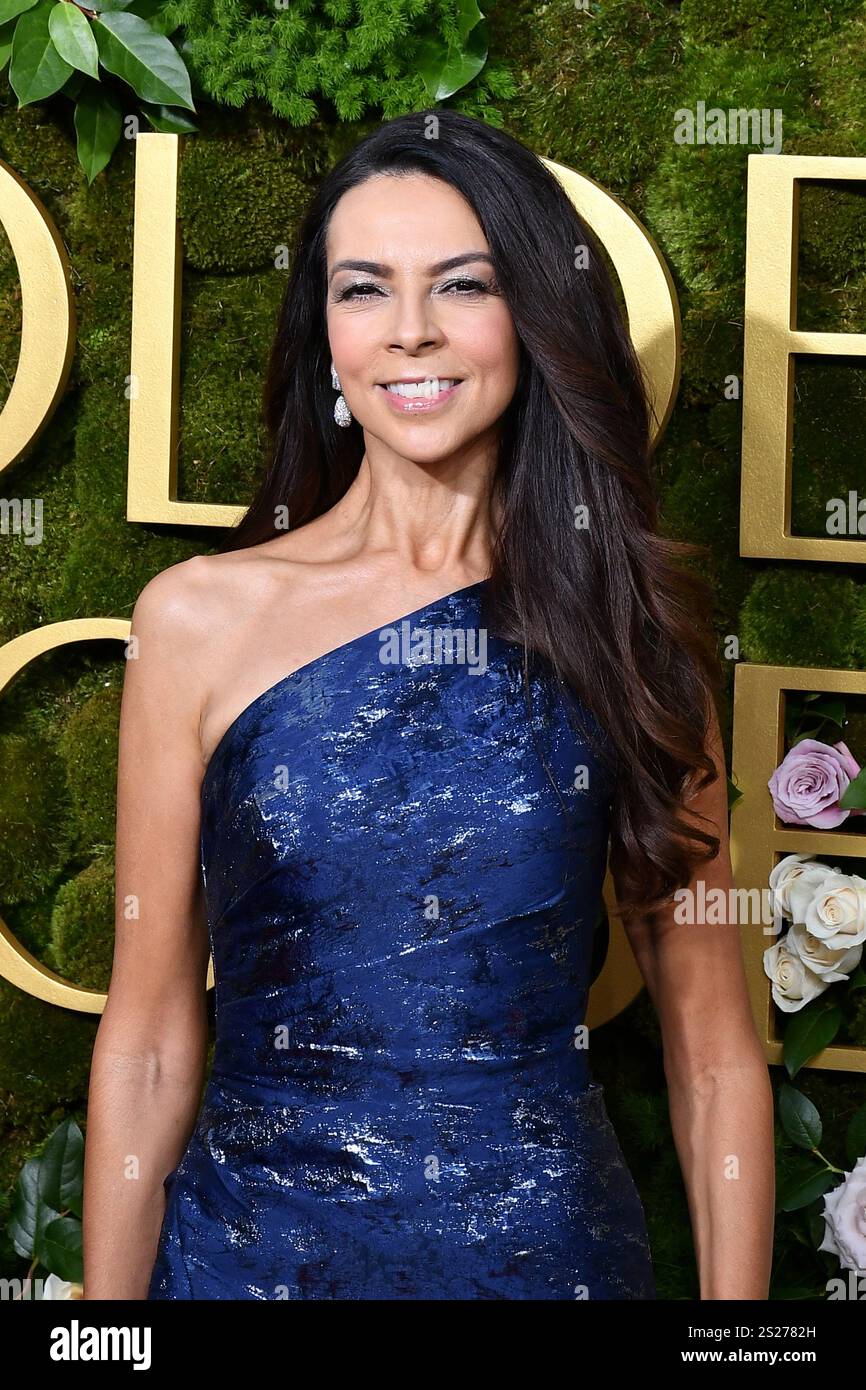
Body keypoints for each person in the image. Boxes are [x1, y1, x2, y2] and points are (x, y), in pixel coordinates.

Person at [82, 109, 774, 1300]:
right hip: (248, 1264)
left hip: (546, 1263)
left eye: (460, 285)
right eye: (364, 290)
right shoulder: (196, 619)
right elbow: (145, 1040)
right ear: (324, 337)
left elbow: (712, 1054)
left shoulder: (626, 627)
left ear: (535, 320)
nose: (409, 331)